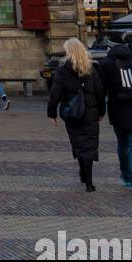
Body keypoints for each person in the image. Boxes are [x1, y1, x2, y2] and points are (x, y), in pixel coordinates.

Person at [47, 37, 105, 192]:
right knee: (89, 145)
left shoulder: (63, 70)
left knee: (79, 144)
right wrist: (101, 111)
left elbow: (55, 93)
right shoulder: (91, 68)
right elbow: (100, 92)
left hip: (72, 113)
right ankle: (89, 181)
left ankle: (83, 173)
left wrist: (52, 112)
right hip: (91, 112)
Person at [98, 38, 132, 192]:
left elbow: (101, 90)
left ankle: (125, 175)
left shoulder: (106, 64)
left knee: (122, 143)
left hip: (117, 108)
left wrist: (101, 110)